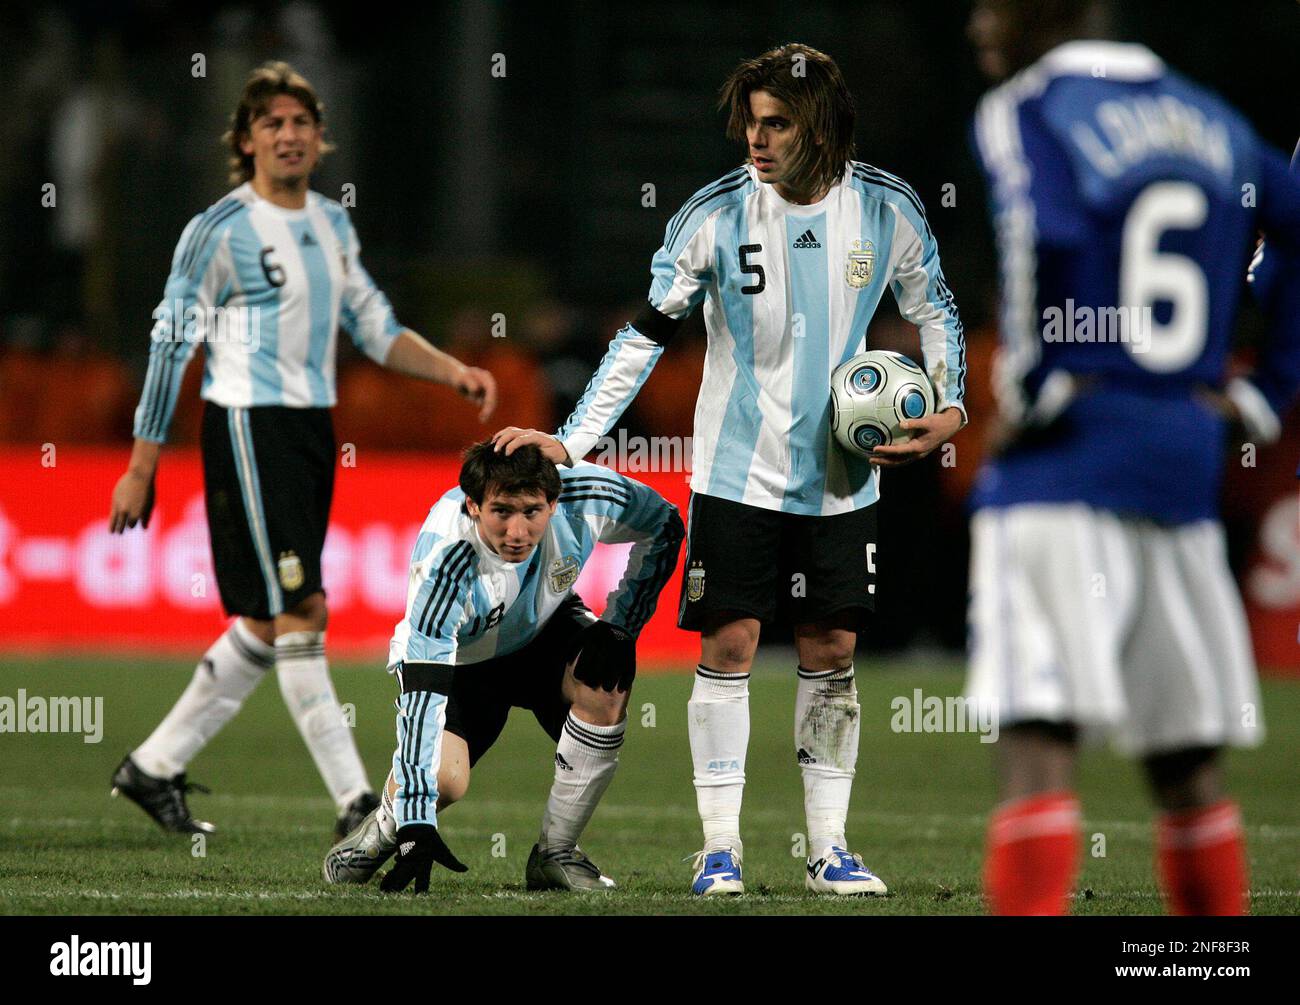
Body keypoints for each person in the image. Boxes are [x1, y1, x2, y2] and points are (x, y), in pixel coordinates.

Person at [494, 43, 967, 895]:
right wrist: (575, 437)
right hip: (735, 470)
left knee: (832, 647)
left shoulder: (888, 209)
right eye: (751, 122)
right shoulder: (713, 215)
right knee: (731, 642)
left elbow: (935, 306)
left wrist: (952, 409)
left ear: (819, 125)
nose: (757, 139)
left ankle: (830, 847)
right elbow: (645, 334)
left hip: (842, 473)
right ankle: (721, 849)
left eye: (777, 123)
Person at [965, 0, 1300, 914]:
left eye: (995, 5)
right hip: (1180, 458)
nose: (977, 24)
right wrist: (1267, 392)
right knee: (1189, 760)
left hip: (1062, 460)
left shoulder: (1026, 108)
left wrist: (1026, 389)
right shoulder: (1215, 120)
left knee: (1037, 736)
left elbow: (1046, 232)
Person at [107, 62, 498, 840]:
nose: (288, 135)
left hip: (311, 431)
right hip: (249, 426)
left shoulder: (330, 223)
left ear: (321, 139)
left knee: (263, 620)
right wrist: (142, 463)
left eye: (301, 123)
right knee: (300, 608)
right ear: (245, 141)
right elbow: (168, 343)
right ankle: (358, 800)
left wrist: (450, 369)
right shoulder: (217, 230)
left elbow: (376, 327)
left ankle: (151, 768)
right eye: (271, 123)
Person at [322, 441, 683, 892]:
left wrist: (621, 626)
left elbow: (667, 524)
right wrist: (417, 817)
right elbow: (423, 691)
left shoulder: (587, 493)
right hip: (464, 663)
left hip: (543, 631)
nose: (517, 531)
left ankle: (556, 854)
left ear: (554, 502)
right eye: (501, 511)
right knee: (446, 782)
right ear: (473, 505)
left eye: (532, 512)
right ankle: (381, 830)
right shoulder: (446, 559)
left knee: (606, 680)